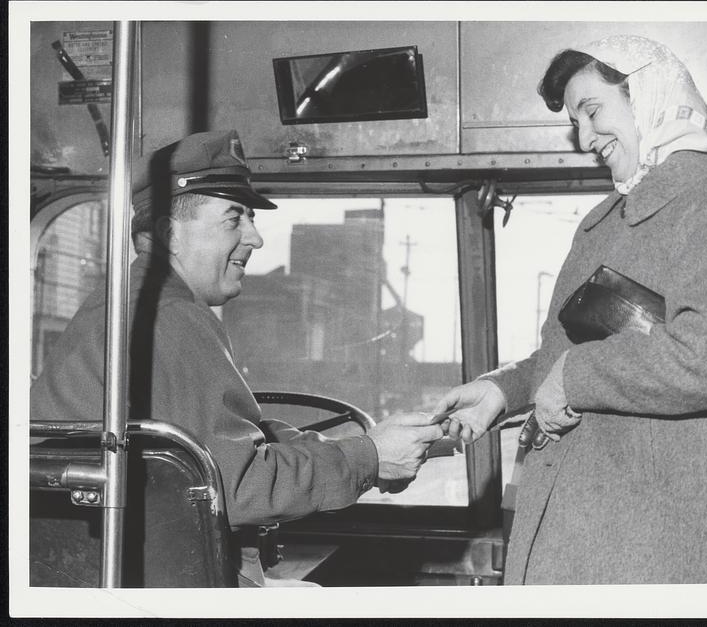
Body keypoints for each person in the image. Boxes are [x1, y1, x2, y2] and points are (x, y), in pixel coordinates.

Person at [31, 130, 444, 587]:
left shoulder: (126, 303)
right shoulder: (169, 318)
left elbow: (221, 446)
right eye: (235, 218)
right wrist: (370, 458)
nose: (256, 238)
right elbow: (242, 486)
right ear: (170, 233)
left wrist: (348, 450)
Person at [432, 35, 707, 584]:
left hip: (648, 546)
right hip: (584, 529)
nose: (584, 138)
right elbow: (574, 353)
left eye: (593, 110)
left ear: (650, 96)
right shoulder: (607, 219)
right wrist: (505, 390)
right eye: (576, 121)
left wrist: (574, 378)